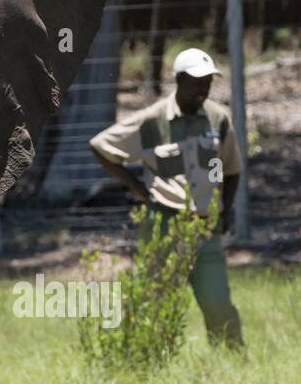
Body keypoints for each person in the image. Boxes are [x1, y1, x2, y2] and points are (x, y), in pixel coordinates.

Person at [89, 47, 245, 348]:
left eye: (209, 82)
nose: (205, 88)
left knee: (216, 300)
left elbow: (233, 168)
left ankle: (233, 361)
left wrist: (226, 212)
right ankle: (149, 359)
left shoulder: (218, 119)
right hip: (163, 221)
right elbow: (101, 146)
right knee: (156, 297)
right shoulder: (152, 120)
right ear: (179, 79)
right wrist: (135, 185)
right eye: (198, 82)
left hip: (204, 225)